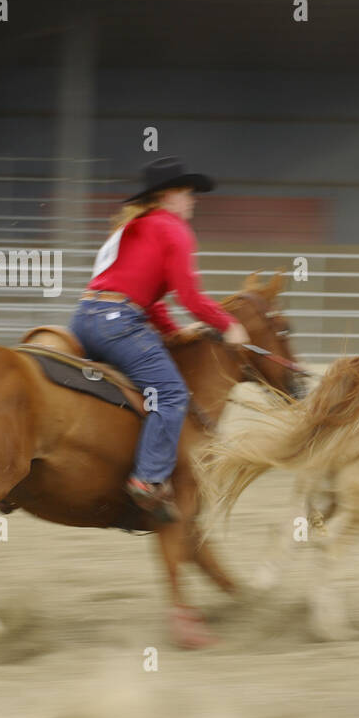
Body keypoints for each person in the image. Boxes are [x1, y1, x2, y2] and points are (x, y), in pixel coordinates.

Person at [70, 156, 251, 521]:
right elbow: (191, 297)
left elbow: (146, 297)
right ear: (168, 195)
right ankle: (147, 480)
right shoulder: (173, 229)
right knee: (170, 393)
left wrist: (171, 332)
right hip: (118, 323)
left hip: (84, 320)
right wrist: (228, 324)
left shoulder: (132, 227)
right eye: (187, 192)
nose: (193, 199)